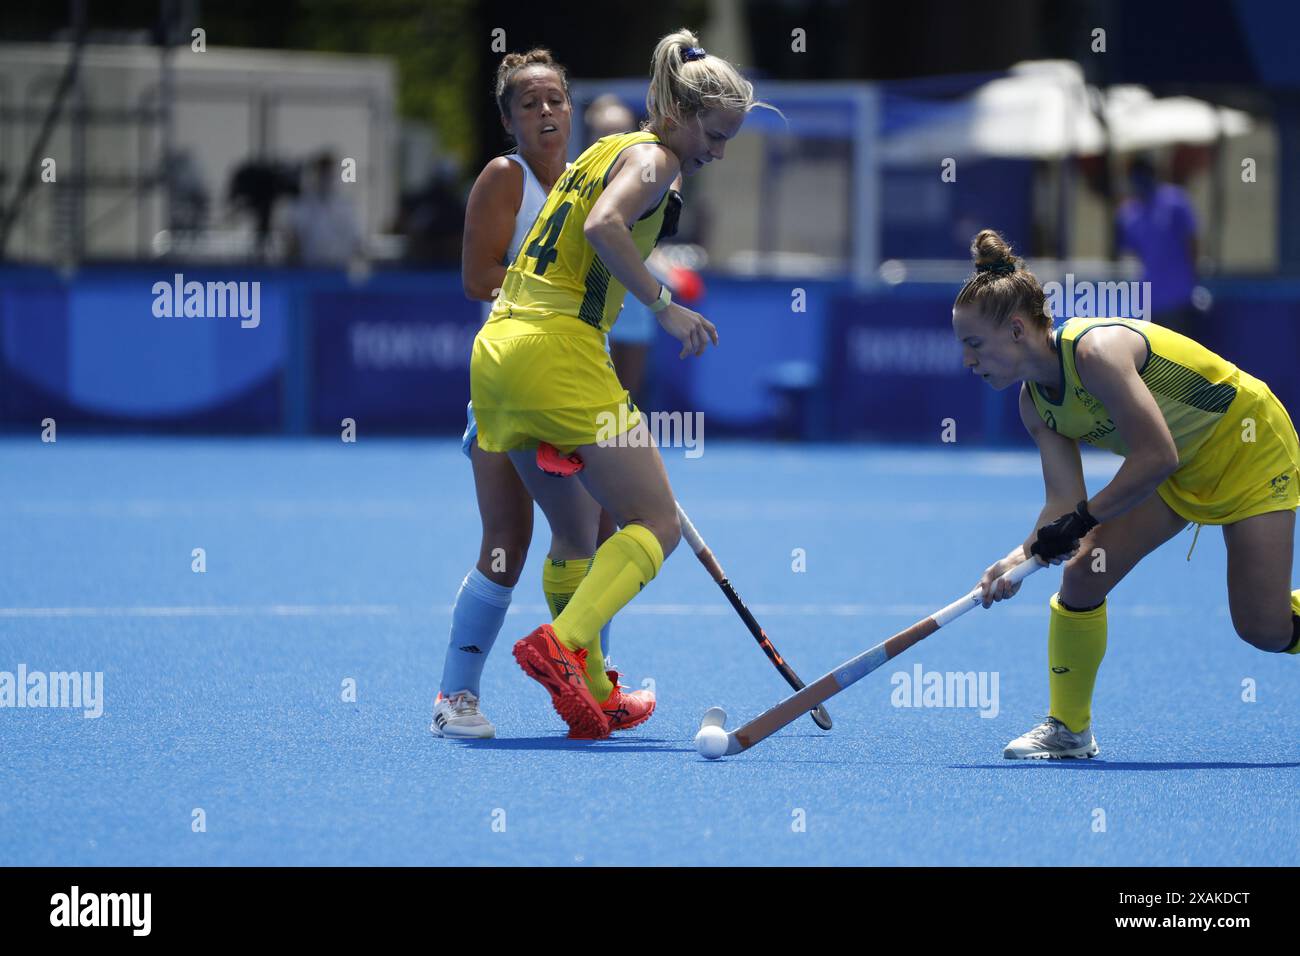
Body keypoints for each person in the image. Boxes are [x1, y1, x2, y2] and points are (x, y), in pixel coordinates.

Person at [471, 29, 761, 738]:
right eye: (717, 135)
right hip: (558, 352)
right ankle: (564, 644)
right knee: (654, 525)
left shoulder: (604, 147)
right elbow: (605, 225)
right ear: (684, 114)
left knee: (575, 533)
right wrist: (665, 307)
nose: (717, 152)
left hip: (502, 350)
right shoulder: (655, 158)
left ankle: (593, 693)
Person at [953, 228, 1299, 760]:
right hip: (1179, 471)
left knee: (1266, 628)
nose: (968, 361)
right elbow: (1063, 503)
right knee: (1081, 574)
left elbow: (1156, 456)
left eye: (974, 344)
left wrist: (1081, 520)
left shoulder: (1096, 352)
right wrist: (1018, 558)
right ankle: (1069, 730)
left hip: (1248, 446)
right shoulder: (1034, 405)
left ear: (1017, 329)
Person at [432, 50, 612, 739]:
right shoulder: (504, 177)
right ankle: (456, 698)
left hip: (566, 381)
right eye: (530, 103)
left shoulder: (584, 185)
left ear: (572, 111)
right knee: (508, 542)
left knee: (600, 530)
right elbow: (479, 277)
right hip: (509, 381)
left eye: (555, 100)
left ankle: (591, 683)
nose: (545, 111)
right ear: (509, 119)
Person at [1115, 156, 1199, 335]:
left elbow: (1192, 242)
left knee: (1179, 354)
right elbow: (1129, 253)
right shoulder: (1128, 213)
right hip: (1148, 301)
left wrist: (1194, 278)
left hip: (1178, 297)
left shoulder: (1175, 201)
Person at [283, 151, 364, 267]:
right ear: (315, 174)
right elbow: (293, 240)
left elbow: (357, 241)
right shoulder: (302, 205)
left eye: (328, 173)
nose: (325, 178)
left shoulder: (346, 205)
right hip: (310, 268)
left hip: (339, 268)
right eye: (322, 173)